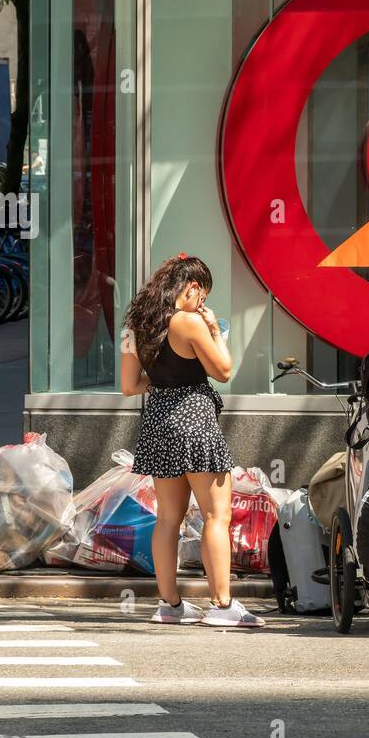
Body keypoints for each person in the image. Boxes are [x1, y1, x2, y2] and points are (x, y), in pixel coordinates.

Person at [120, 254, 265, 628]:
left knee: (168, 518)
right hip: (195, 419)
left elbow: (129, 386)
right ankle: (222, 605)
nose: (203, 305)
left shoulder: (136, 325)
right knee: (217, 514)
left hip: (157, 420)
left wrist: (163, 381)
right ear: (192, 288)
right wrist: (215, 330)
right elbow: (224, 370)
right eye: (203, 297)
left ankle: (170, 605)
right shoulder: (188, 322)